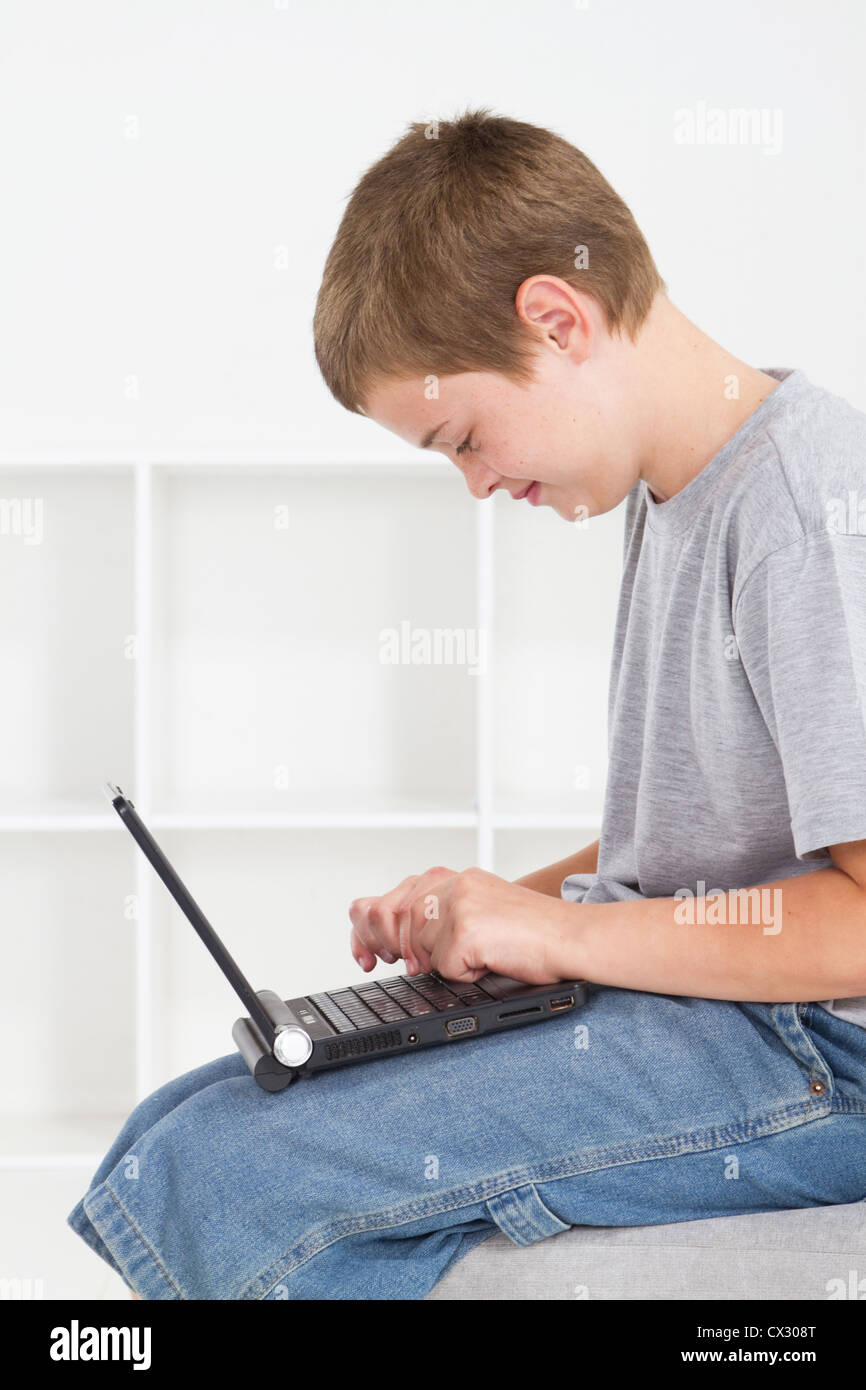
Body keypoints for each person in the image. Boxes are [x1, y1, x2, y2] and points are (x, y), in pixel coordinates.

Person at [69, 109, 866, 1300]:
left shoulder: (803, 504)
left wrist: (559, 936)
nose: (479, 483)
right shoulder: (675, 492)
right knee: (173, 1127)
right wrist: (497, 905)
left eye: (463, 438)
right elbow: (715, 838)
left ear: (558, 319)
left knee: (226, 1176)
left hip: (818, 1053)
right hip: (717, 1015)